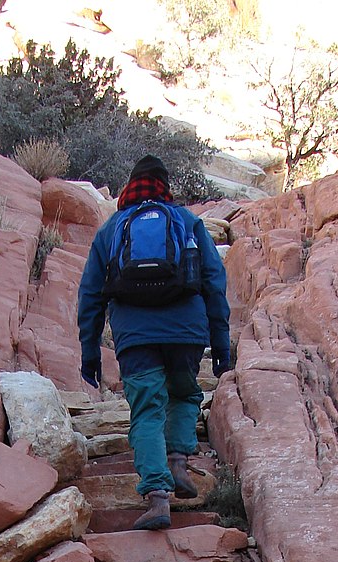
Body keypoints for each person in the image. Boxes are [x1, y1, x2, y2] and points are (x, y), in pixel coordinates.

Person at [77, 154, 231, 531]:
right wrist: (222, 347)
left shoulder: (113, 228)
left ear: (131, 185)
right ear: (166, 187)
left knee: (147, 409)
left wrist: (90, 352)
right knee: (183, 394)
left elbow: (90, 295)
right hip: (186, 332)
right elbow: (214, 283)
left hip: (135, 334)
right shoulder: (187, 222)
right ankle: (178, 462)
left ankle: (157, 497)